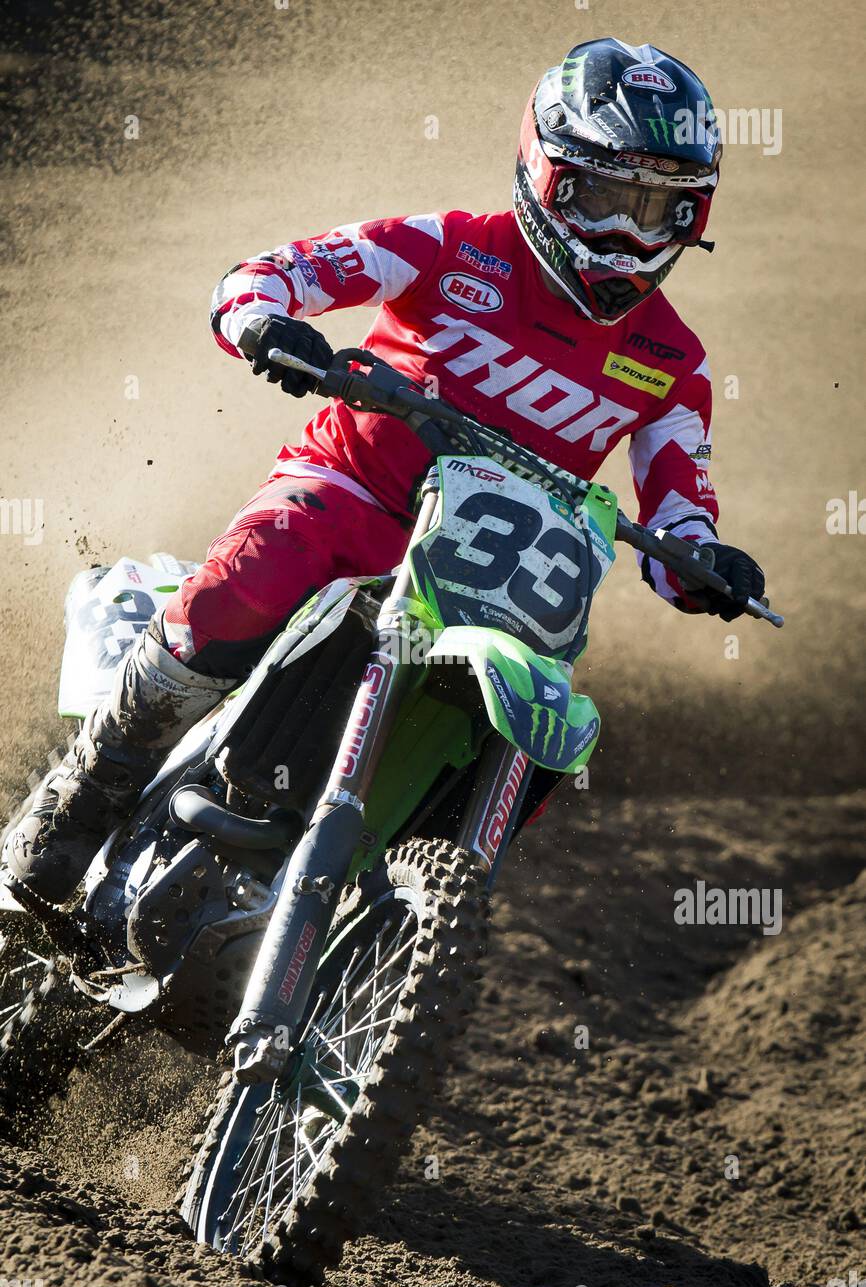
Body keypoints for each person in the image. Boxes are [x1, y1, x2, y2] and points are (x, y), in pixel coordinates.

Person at [5, 36, 765, 906]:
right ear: (546, 173)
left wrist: (709, 566)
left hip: (499, 580)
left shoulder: (674, 361)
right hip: (350, 496)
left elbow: (677, 519)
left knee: (532, 725)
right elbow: (271, 275)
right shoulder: (447, 248)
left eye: (659, 209)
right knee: (245, 583)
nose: (628, 234)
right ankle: (89, 790)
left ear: (693, 217)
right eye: (603, 196)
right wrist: (265, 321)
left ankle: (389, 923)